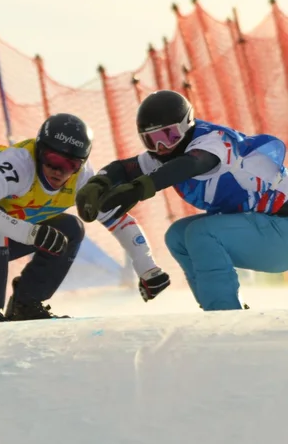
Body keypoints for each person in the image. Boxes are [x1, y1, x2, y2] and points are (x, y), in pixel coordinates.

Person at [0, 112, 170, 322]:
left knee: (71, 228)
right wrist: (29, 232)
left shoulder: (82, 178)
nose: (59, 171)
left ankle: (25, 305)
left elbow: (117, 217)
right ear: (39, 151)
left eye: (70, 164)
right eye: (52, 159)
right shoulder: (18, 163)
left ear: (81, 164)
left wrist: (146, 268)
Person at [76, 89, 288, 311]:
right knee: (177, 236)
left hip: (281, 227)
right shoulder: (167, 154)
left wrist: (141, 188)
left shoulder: (212, 141)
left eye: (169, 136)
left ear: (187, 125)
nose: (162, 148)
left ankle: (223, 312)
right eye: (152, 140)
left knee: (202, 233)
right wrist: (97, 183)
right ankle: (213, 306)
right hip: (267, 228)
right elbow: (124, 168)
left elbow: (192, 164)